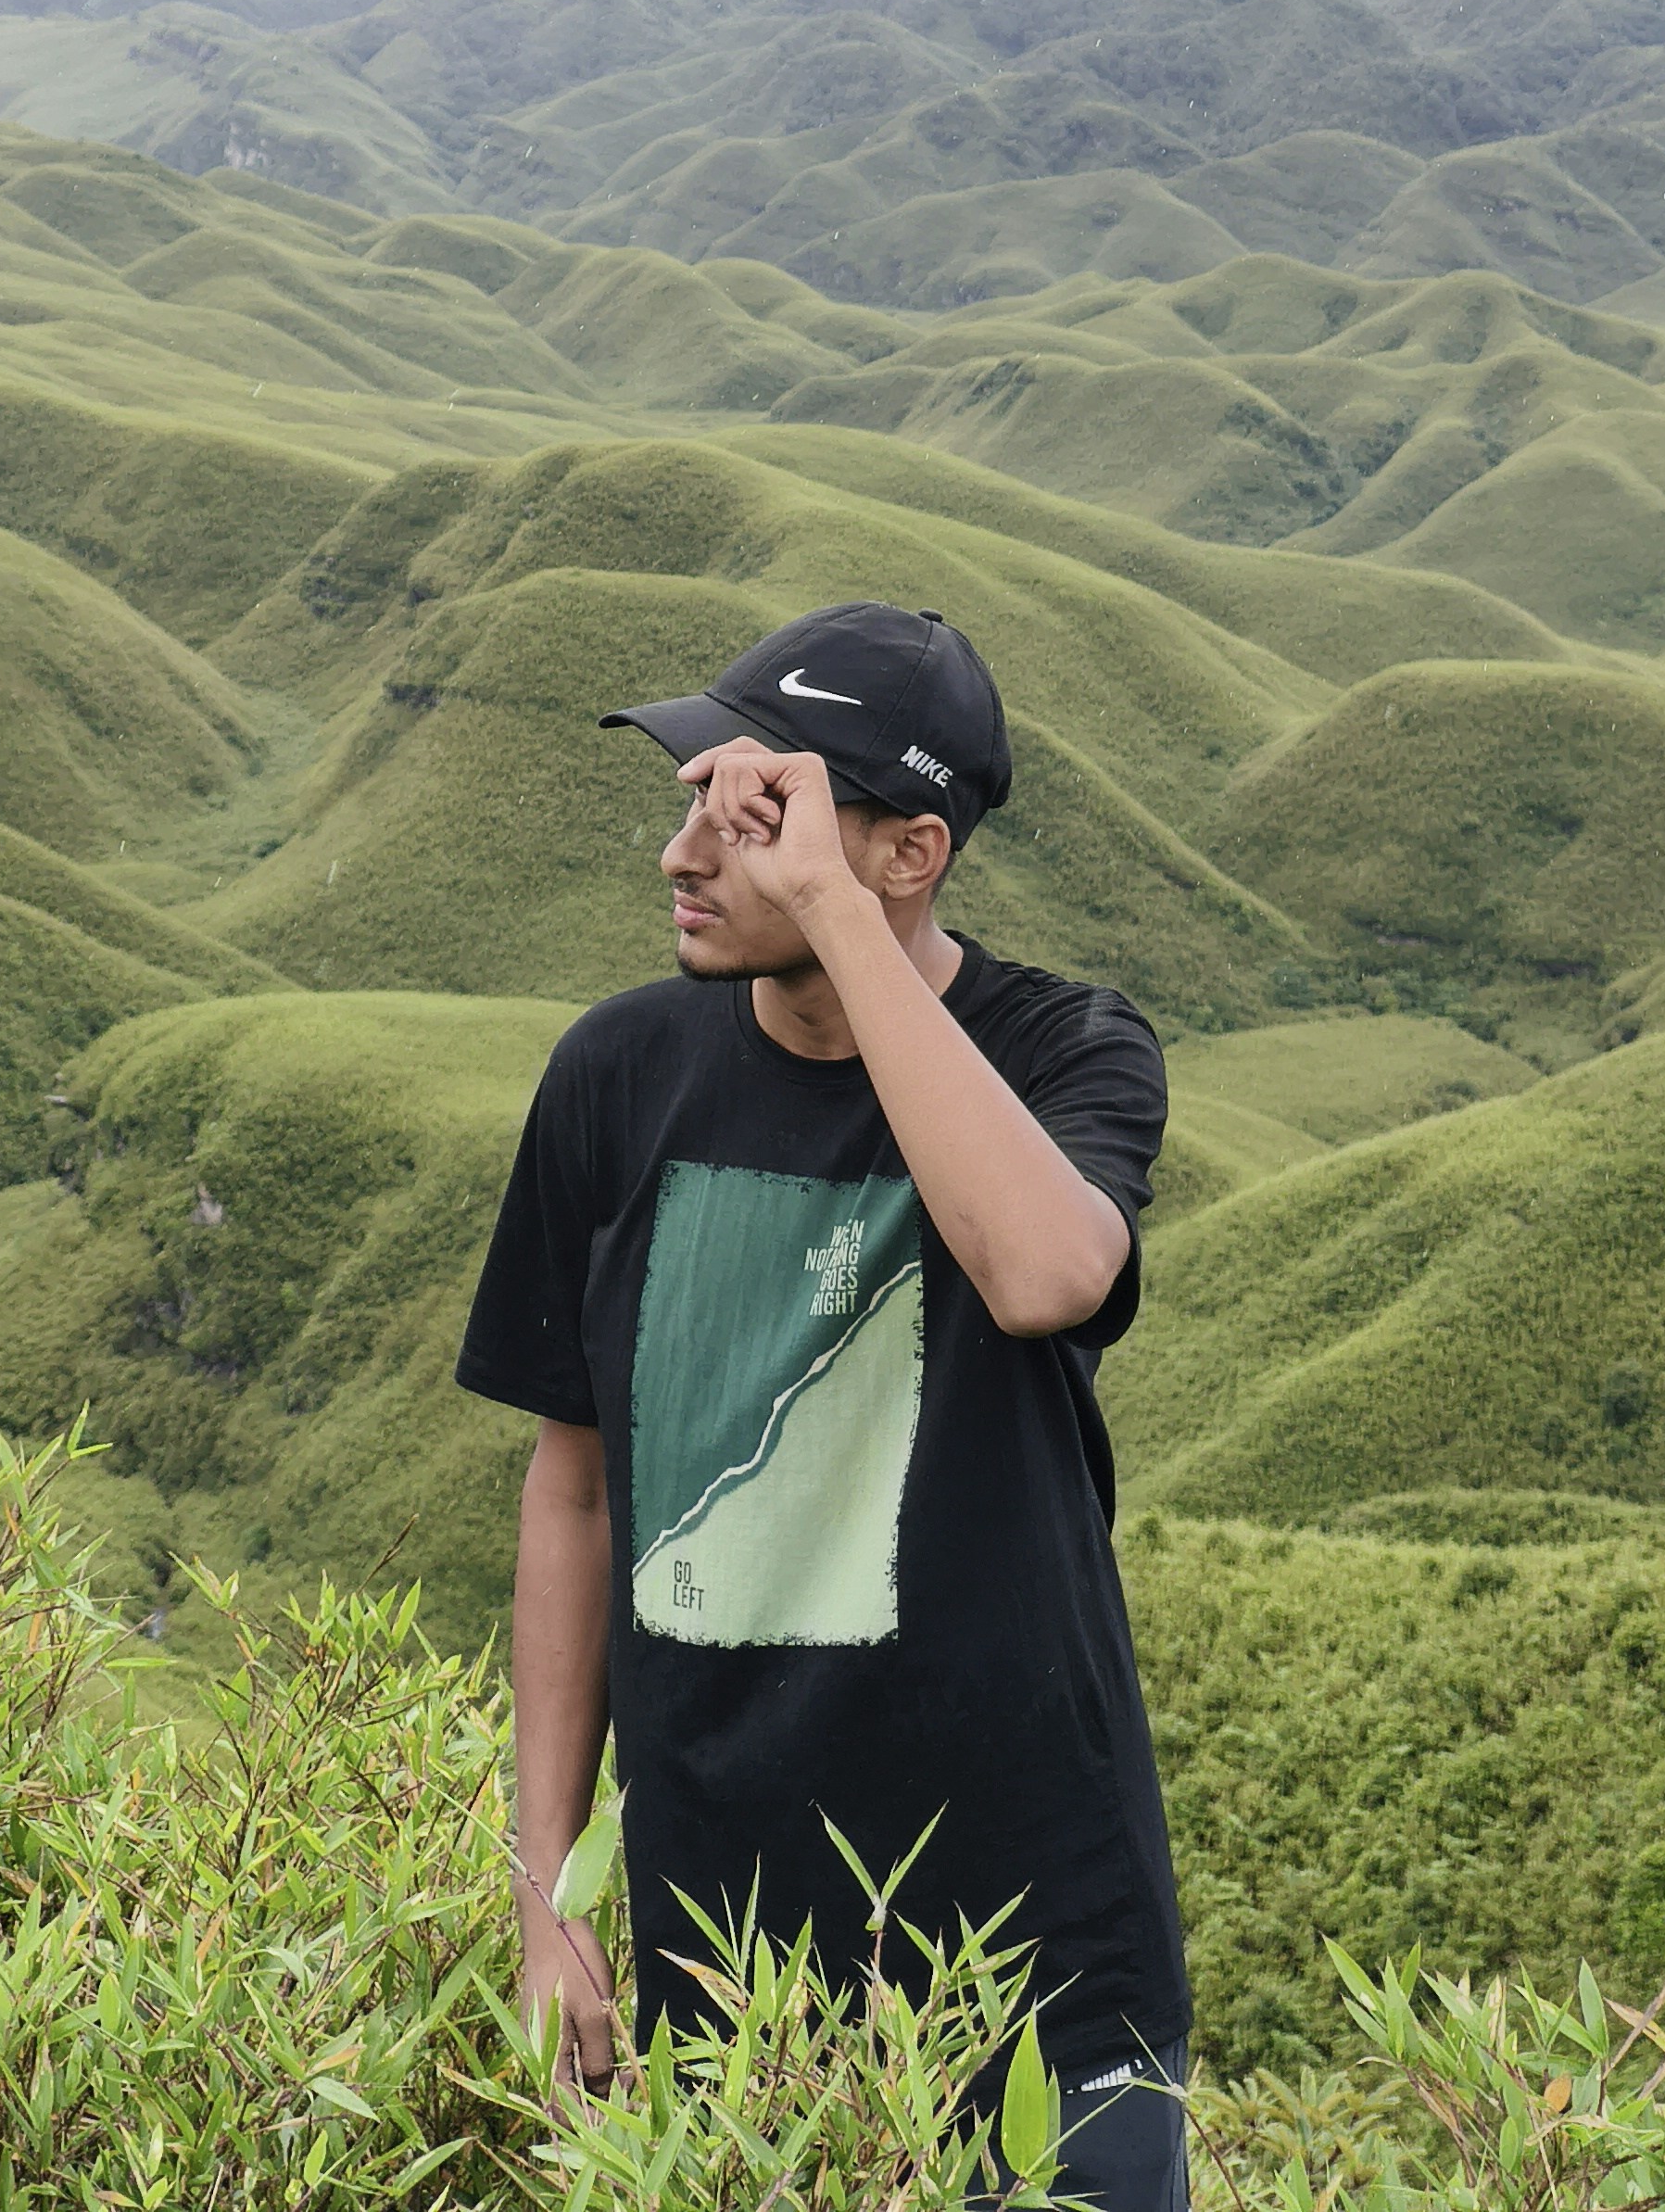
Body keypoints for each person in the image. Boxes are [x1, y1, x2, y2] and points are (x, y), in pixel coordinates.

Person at [456, 600, 1191, 2212]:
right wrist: (549, 1897)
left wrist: (846, 932)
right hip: (720, 1959)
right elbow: (572, 1495)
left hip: (1040, 1957)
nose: (686, 853)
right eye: (692, 802)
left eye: (758, 815)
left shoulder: (1069, 1049)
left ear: (911, 849)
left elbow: (1048, 1273)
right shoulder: (617, 1072)